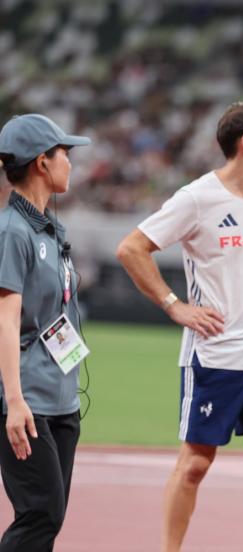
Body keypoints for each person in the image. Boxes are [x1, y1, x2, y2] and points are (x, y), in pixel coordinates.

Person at [116, 101, 243, 552]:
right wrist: (175, 305)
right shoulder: (197, 198)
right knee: (195, 465)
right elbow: (132, 248)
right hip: (214, 355)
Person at [0, 114, 91, 550]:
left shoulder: (51, 230)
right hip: (27, 401)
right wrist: (14, 401)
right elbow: (5, 316)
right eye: (65, 154)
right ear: (41, 162)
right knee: (41, 515)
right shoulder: (12, 232)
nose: (71, 163)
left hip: (60, 399)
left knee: (47, 521)